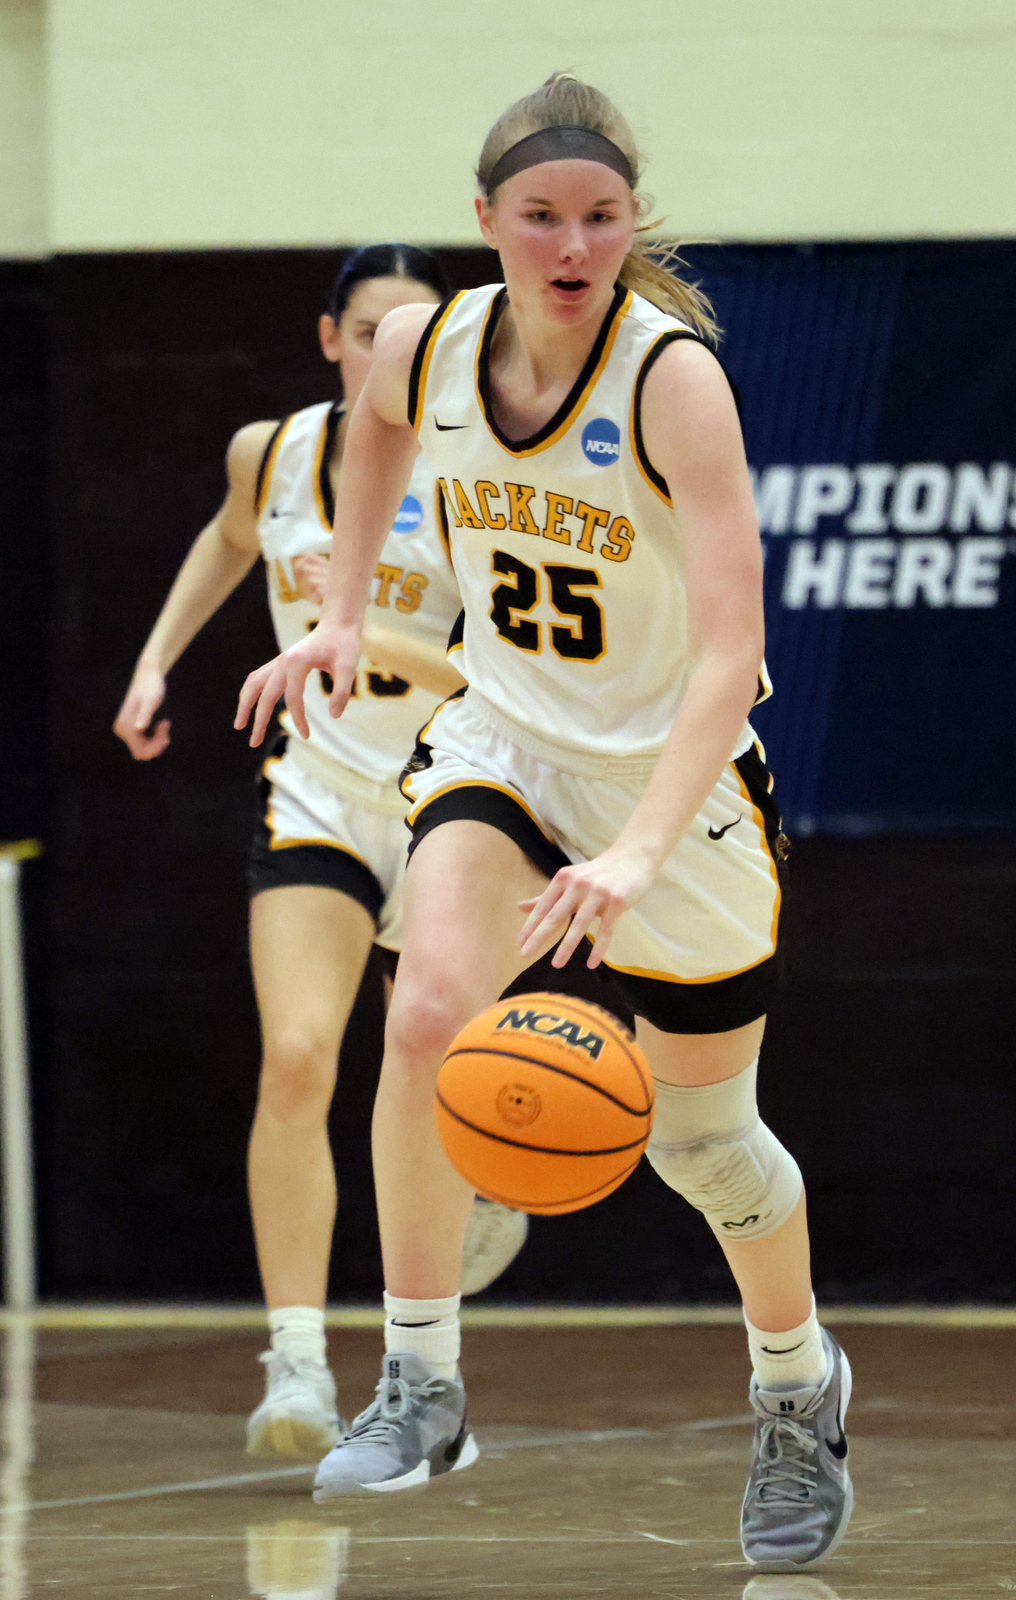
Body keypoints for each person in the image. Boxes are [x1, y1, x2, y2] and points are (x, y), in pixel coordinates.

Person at [235, 78, 853, 1573]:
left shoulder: (671, 378)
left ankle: (797, 1388)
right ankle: (422, 1377)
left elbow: (730, 649)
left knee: (709, 1148)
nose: (573, 244)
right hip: (504, 739)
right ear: (487, 224)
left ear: (629, 224)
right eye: (542, 217)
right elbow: (371, 430)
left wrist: (637, 849)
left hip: (676, 782)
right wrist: (346, 609)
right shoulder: (427, 341)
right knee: (427, 1012)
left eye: (600, 217)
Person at [113, 245, 529, 1462]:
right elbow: (227, 538)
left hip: (456, 797)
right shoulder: (274, 451)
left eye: (413, 332)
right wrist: (154, 661)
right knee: (297, 1057)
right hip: (322, 793)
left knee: (439, 1088)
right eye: (367, 332)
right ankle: (294, 1365)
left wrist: (401, 656)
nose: (386, 353)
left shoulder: (474, 473)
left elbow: (523, 669)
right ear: (331, 339)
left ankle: (423, 1364)